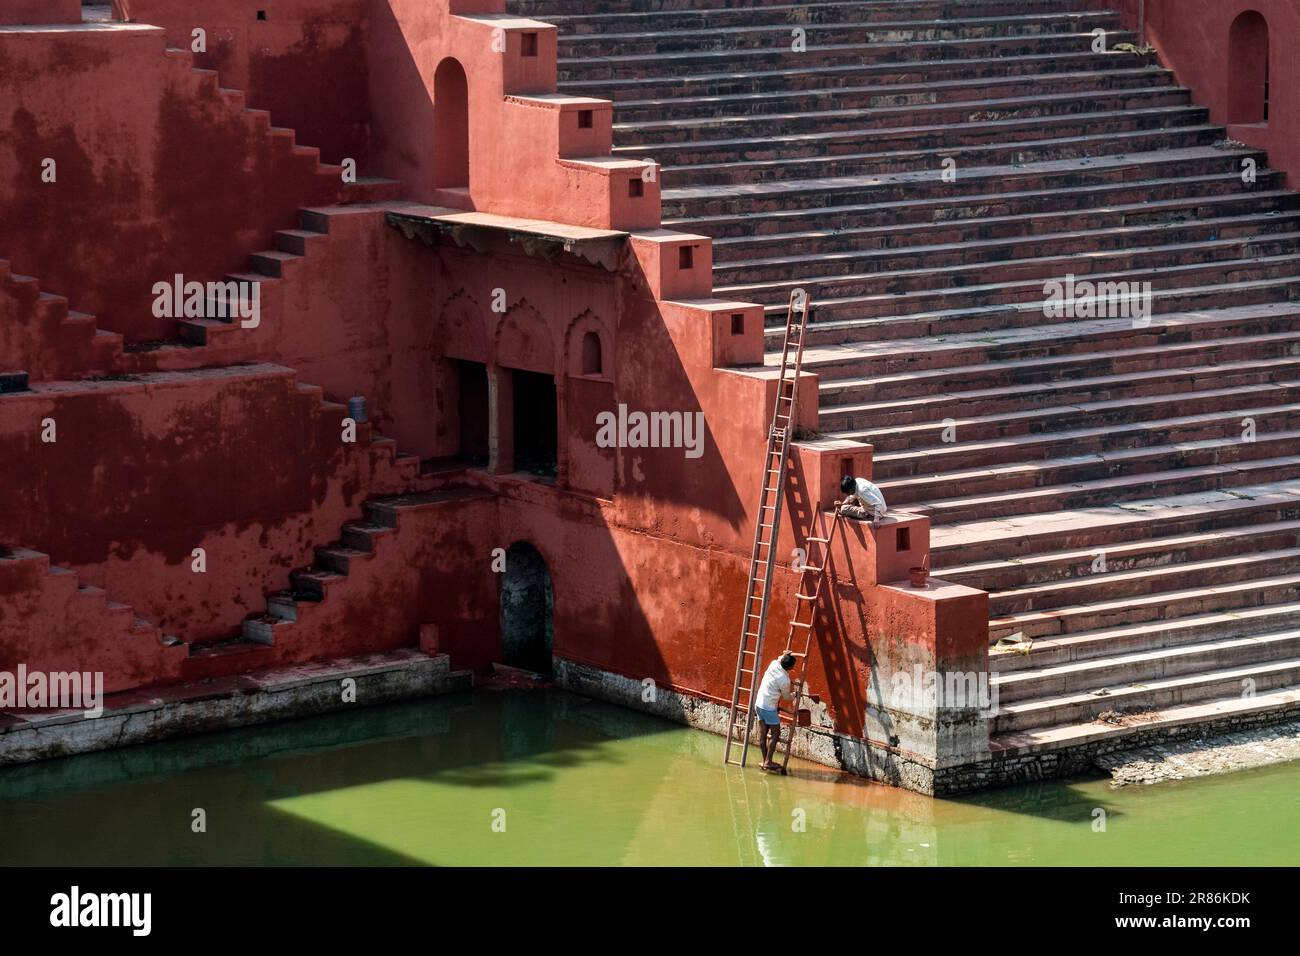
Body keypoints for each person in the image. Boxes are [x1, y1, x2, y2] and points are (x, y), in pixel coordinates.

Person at [754, 652, 796, 773]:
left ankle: (765, 760)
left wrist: (785, 653)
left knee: (763, 733)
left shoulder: (774, 664)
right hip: (768, 708)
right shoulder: (784, 680)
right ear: (789, 667)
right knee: (776, 733)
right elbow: (786, 697)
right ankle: (768, 762)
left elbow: (780, 658)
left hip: (759, 704)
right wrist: (794, 694)